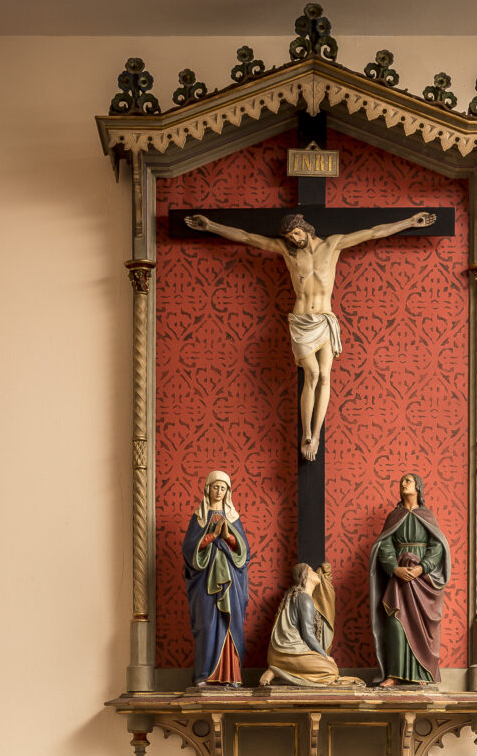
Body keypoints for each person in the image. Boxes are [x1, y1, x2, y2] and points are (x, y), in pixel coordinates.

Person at [185, 208, 436, 460]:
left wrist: (409, 222)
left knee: (325, 376)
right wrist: (211, 226)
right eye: (289, 237)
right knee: (312, 374)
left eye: (295, 233)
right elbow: (247, 237)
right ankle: (305, 431)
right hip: (302, 321)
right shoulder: (288, 252)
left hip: (325, 319)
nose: (293, 239)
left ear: (305, 228)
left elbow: (372, 233)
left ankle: (315, 435)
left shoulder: (333, 244)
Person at [369, 472, 451, 686]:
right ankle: (394, 675)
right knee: (395, 621)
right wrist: (394, 569)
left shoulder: (428, 516)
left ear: (418, 487)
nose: (402, 483)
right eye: (401, 480)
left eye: (407, 480)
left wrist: (421, 568)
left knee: (420, 626)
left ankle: (421, 674)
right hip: (398, 577)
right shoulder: (393, 517)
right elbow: (385, 545)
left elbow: (436, 547)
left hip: (421, 579)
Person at [181, 471, 249, 686]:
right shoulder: (199, 517)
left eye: (223, 488)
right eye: (215, 487)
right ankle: (205, 675)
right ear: (207, 488)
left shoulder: (232, 516)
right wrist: (212, 536)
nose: (218, 491)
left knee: (229, 624)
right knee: (208, 625)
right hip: (205, 583)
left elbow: (244, 552)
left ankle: (232, 677)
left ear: (228, 491)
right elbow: (189, 550)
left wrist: (227, 536)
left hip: (230, 583)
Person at [259, 562, 361, 687]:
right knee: (331, 670)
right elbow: (307, 635)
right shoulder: (305, 598)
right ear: (305, 576)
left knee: (328, 669)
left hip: (279, 653)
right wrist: (325, 657)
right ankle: (277, 671)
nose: (315, 573)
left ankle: (280, 673)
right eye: (312, 570)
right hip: (290, 653)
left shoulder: (293, 596)